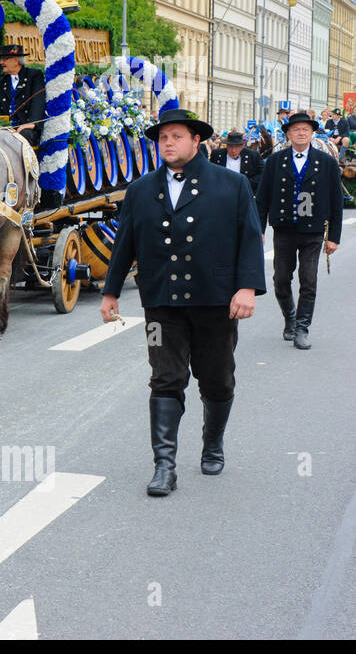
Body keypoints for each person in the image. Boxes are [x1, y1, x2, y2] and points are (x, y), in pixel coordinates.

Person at [100, 108, 266, 496]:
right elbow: (125, 242)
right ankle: (164, 466)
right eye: (163, 138)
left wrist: (246, 289)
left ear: (196, 141)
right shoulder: (141, 189)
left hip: (215, 301)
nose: (169, 143)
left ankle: (212, 443)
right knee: (165, 378)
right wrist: (110, 292)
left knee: (216, 378)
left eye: (176, 136)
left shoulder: (230, 184)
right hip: (161, 303)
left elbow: (250, 238)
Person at [255, 111, 343, 350]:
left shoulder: (326, 163)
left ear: (312, 133)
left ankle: (302, 328)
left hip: (313, 231)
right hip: (284, 229)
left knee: (309, 280)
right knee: (281, 279)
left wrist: (334, 237)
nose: (301, 133)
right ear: (289, 134)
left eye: (306, 129)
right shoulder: (275, 161)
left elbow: (337, 202)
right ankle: (290, 317)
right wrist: (258, 230)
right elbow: (262, 199)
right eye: (296, 129)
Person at [0, 44, 46, 146]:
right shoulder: (0, 83)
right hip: (5, 128)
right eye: (1, 59)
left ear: (16, 60)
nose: (1, 62)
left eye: (4, 59)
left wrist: (32, 123)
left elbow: (38, 100)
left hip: (27, 128)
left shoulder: (34, 75)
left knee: (24, 134)